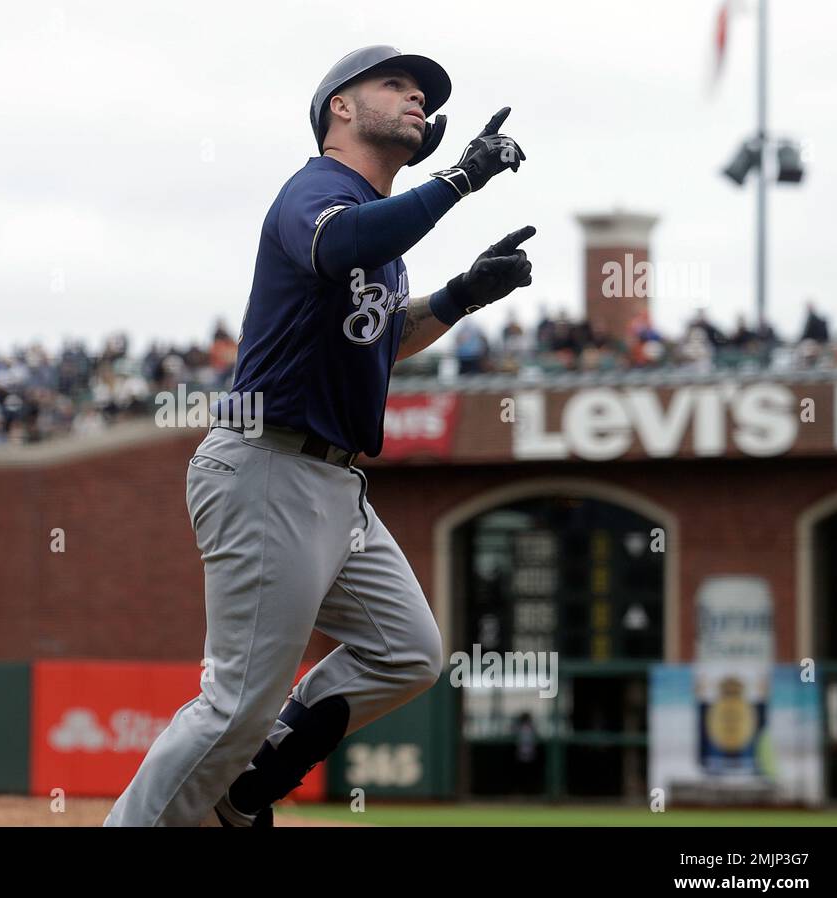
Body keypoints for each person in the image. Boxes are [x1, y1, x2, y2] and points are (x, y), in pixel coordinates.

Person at [104, 45, 533, 827]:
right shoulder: (317, 189)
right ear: (341, 106)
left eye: (421, 92)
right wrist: (460, 179)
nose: (416, 98)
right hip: (268, 463)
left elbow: (382, 338)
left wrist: (461, 295)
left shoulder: (379, 232)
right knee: (234, 702)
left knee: (407, 652)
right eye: (395, 84)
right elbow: (339, 244)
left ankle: (243, 789)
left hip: (334, 485)